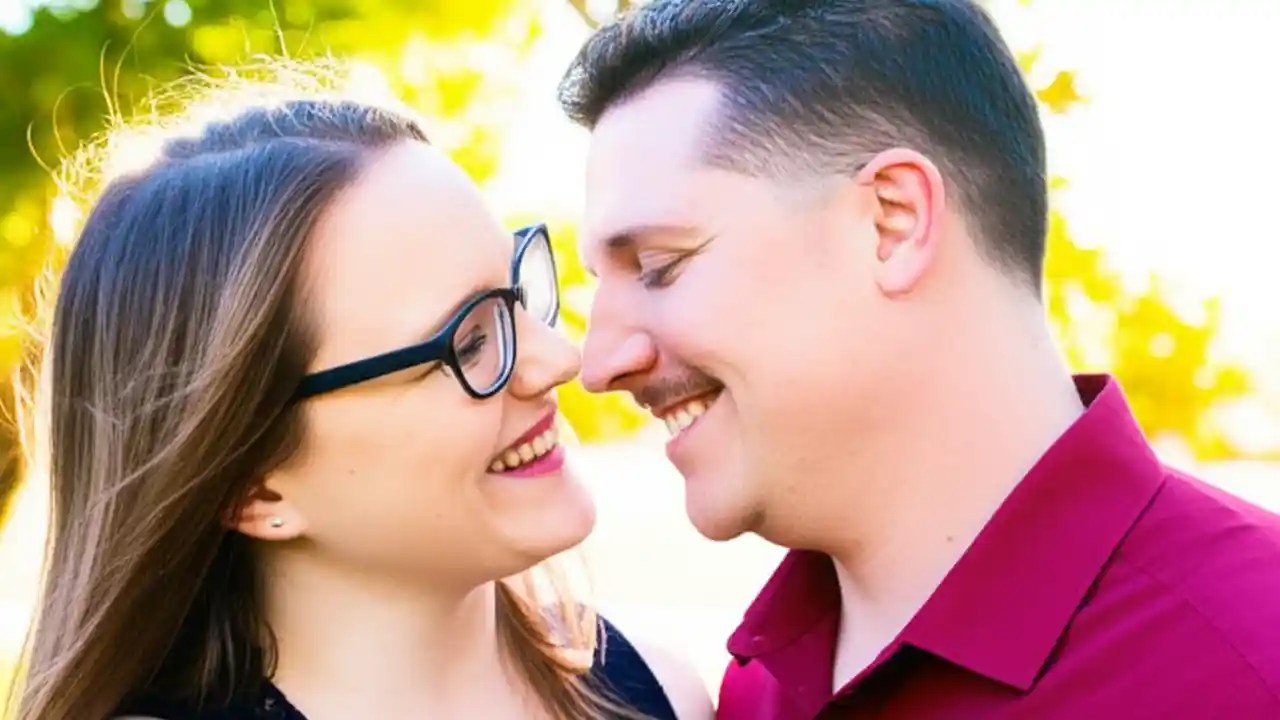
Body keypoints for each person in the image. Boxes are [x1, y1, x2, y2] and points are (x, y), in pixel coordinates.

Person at [557, 0, 1280, 717]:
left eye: (658, 265)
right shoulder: (756, 687)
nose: (598, 364)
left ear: (893, 222)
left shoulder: (1254, 653)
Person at [15, 65, 711, 720]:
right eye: (468, 341)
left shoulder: (667, 693)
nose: (559, 359)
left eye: (517, 296)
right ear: (253, 489)